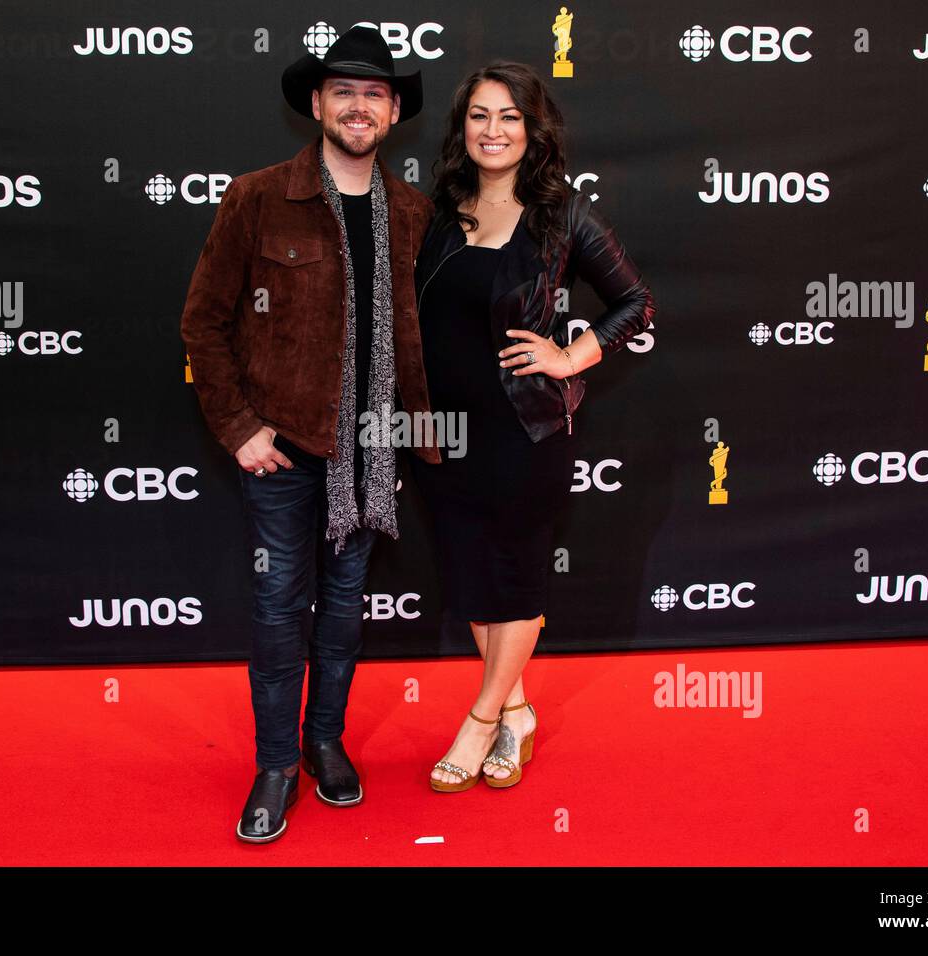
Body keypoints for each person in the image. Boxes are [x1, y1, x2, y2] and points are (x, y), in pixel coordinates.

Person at [179, 26, 440, 842]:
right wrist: (239, 425)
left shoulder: (413, 211)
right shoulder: (258, 197)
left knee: (344, 610)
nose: (359, 106)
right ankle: (275, 764)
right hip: (284, 448)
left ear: (393, 111)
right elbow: (203, 323)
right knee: (277, 606)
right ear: (318, 105)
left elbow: (429, 328)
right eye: (344, 92)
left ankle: (325, 743)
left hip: (371, 449)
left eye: (374, 93)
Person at [411, 61, 657, 791]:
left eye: (509, 117)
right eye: (480, 115)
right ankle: (517, 711)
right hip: (442, 432)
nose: (493, 130)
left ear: (533, 129)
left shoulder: (563, 215)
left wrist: (569, 354)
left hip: (525, 428)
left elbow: (634, 303)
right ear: (461, 128)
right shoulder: (437, 210)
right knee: (471, 577)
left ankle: (481, 720)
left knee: (515, 579)